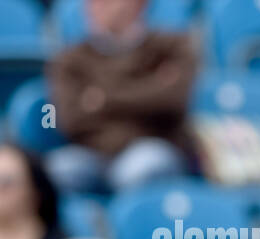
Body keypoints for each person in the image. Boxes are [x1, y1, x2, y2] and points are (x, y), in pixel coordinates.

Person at [45, 0, 196, 195]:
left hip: (150, 146)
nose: (94, 6)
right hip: (90, 153)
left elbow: (173, 101)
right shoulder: (69, 60)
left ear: (138, 4)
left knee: (144, 166)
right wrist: (150, 88)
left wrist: (102, 98)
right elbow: (70, 119)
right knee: (54, 171)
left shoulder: (172, 47)